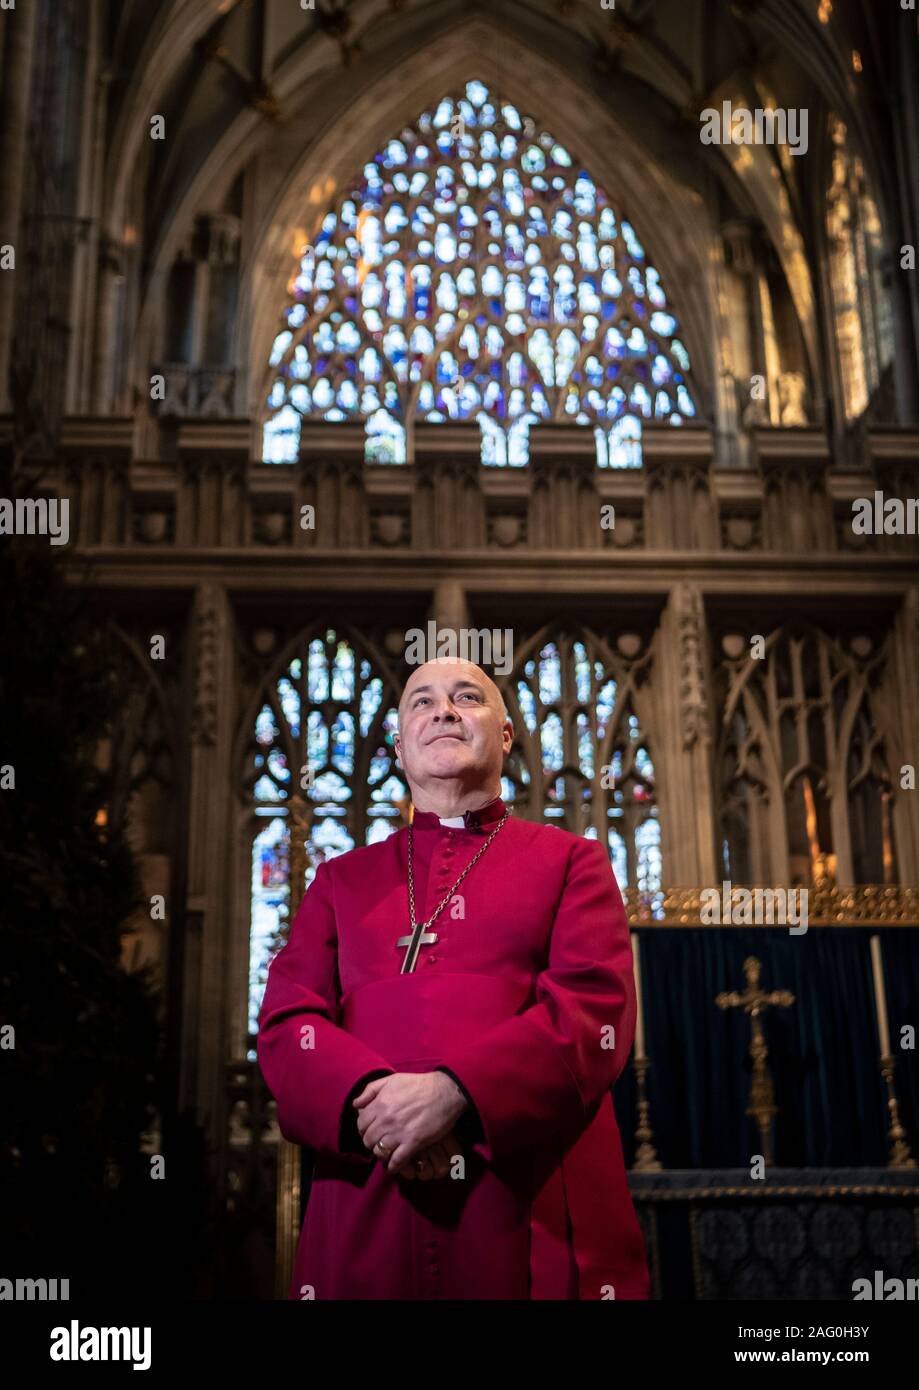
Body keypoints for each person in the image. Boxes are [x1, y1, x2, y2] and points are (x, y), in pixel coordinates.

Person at [257, 656, 650, 1299]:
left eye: (467, 697)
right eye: (422, 702)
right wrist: (380, 1111)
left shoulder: (572, 863)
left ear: (505, 735)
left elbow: (592, 1009)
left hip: (525, 1199)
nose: (443, 710)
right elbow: (285, 1024)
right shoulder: (339, 882)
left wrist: (456, 1095)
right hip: (369, 1191)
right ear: (399, 746)